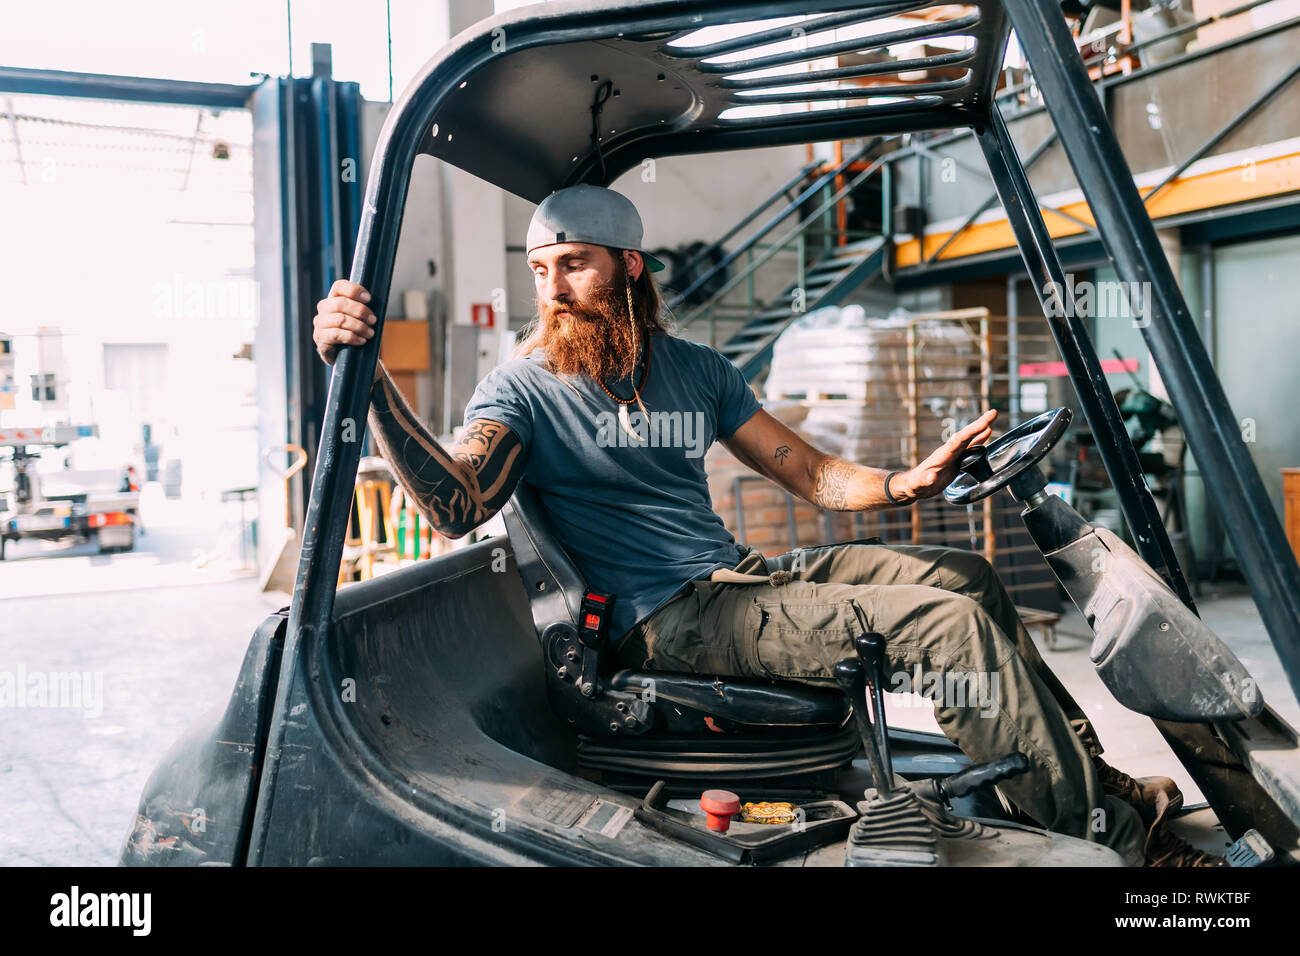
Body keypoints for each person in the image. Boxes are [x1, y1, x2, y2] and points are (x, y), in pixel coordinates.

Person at [313, 183, 1219, 867]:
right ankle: (1106, 841)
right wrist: (374, 386)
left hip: (732, 577)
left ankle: (1089, 782)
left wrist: (907, 481)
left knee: (962, 579)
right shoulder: (522, 388)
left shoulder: (696, 369)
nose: (554, 289)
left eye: (575, 264)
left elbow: (809, 470)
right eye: (541, 270)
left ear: (630, 266)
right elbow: (458, 502)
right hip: (663, 620)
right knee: (942, 630)